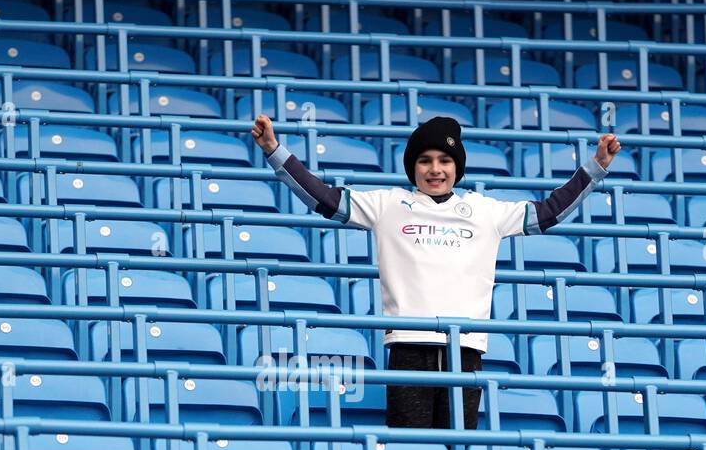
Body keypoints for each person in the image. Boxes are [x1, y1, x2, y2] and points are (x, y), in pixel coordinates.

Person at [250, 113, 620, 429]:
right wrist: (274, 151)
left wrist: (596, 168)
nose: (435, 169)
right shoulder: (388, 205)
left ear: (457, 166)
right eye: (425, 160)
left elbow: (549, 211)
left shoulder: (485, 210)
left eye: (444, 160)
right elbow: (324, 198)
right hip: (408, 346)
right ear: (413, 166)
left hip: (467, 349)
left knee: (458, 449)